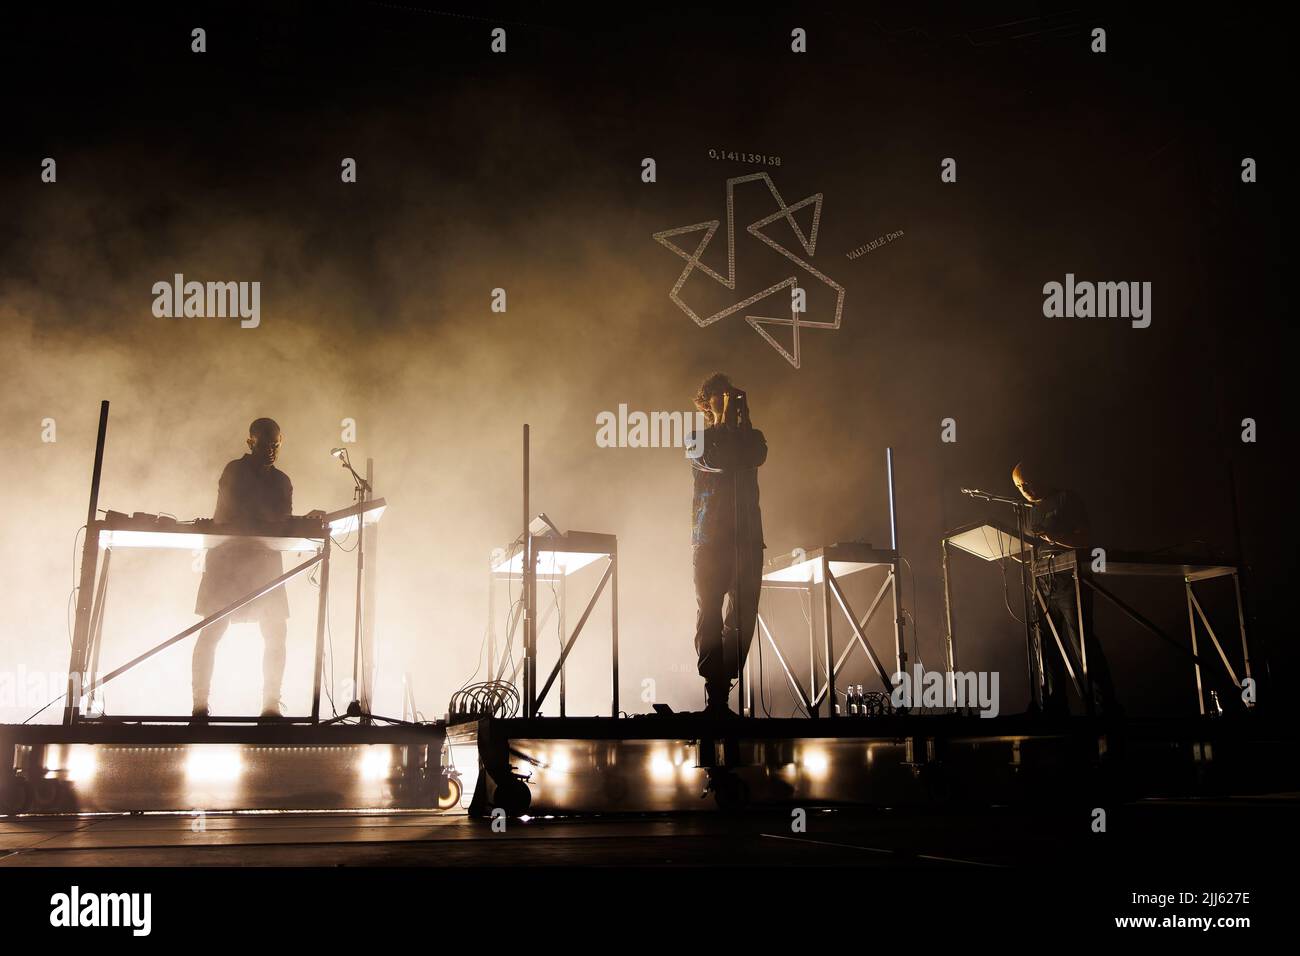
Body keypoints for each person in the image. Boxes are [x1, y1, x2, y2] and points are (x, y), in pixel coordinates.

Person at [192, 418, 319, 721]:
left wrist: (298, 523)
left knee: (275, 631)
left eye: (275, 445)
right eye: (265, 445)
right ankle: (199, 706)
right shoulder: (234, 471)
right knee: (213, 630)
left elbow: (279, 521)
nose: (271, 451)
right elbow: (237, 515)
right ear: (250, 443)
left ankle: (271, 705)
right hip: (228, 560)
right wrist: (295, 523)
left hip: (263, 563)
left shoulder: (282, 480)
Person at [1012, 461, 1119, 716]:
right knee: (1047, 645)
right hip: (1043, 581)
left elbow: (1084, 539)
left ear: (1041, 476)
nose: (1024, 489)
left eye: (1027, 482)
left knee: (1082, 642)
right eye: (1018, 486)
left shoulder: (1066, 499)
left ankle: (1106, 709)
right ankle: (1054, 707)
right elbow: (1034, 547)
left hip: (1069, 580)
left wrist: (1051, 537)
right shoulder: (1030, 510)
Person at [688, 373, 767, 717]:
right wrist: (723, 422)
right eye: (717, 396)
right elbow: (719, 462)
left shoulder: (754, 438)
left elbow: (753, 456)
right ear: (705, 403)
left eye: (728, 395)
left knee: (744, 614)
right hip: (709, 540)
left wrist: (741, 419)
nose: (725, 400)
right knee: (709, 613)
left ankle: (725, 680)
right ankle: (715, 690)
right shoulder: (696, 439)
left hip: (748, 540)